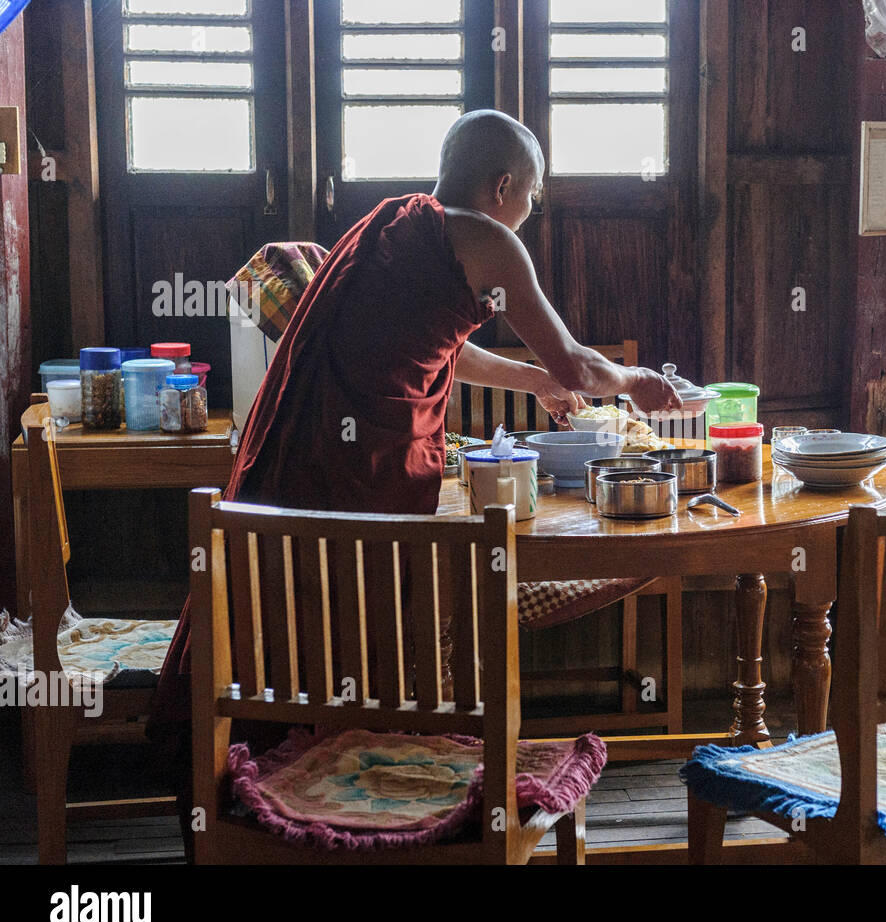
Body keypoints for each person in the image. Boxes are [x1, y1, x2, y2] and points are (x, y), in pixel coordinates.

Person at [150, 109, 680, 741]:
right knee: (368, 614)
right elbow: (576, 362)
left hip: (310, 455)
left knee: (295, 603)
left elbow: (444, 344)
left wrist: (535, 381)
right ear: (503, 187)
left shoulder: (391, 222)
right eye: (531, 199)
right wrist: (637, 383)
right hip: (370, 469)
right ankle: (367, 760)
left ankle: (284, 757)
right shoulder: (491, 240)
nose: (528, 214)